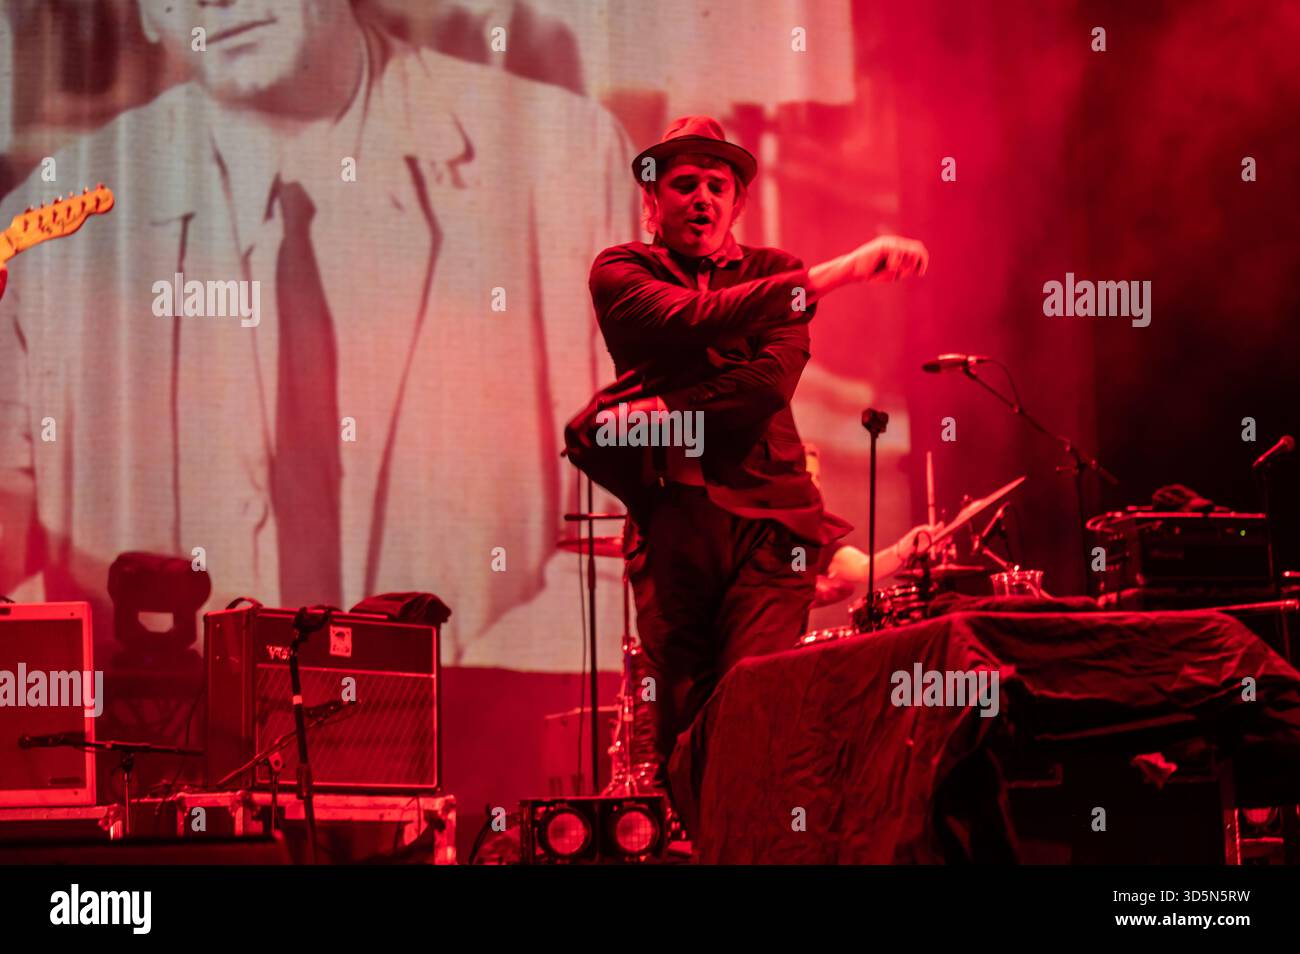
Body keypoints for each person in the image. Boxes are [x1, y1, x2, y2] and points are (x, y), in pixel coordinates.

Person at [0, 0, 637, 667]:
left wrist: (470, 708)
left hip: (486, 739)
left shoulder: (566, 158)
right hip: (173, 747)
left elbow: (629, 526)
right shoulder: (47, 228)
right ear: (147, 18)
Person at [570, 115, 929, 791]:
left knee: (753, 699)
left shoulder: (778, 272)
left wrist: (661, 416)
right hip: (672, 525)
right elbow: (687, 319)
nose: (702, 196)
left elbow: (767, 387)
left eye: (717, 184)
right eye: (683, 184)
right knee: (682, 725)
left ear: (737, 204)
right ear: (652, 203)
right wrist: (840, 274)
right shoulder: (620, 271)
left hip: (769, 524)